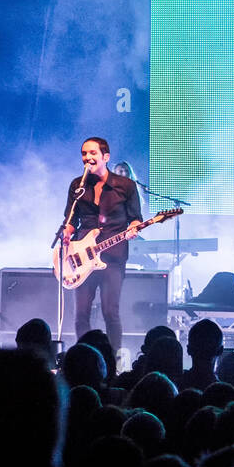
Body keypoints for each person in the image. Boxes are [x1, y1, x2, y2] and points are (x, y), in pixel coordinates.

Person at [61, 137, 142, 350]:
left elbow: (136, 218)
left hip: (113, 256)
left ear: (105, 157)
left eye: (93, 153)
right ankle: (84, 357)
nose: (88, 157)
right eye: (84, 153)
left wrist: (133, 227)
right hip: (82, 257)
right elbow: (70, 220)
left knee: (110, 312)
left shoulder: (126, 186)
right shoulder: (77, 186)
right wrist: (67, 233)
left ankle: (112, 361)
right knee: (81, 314)